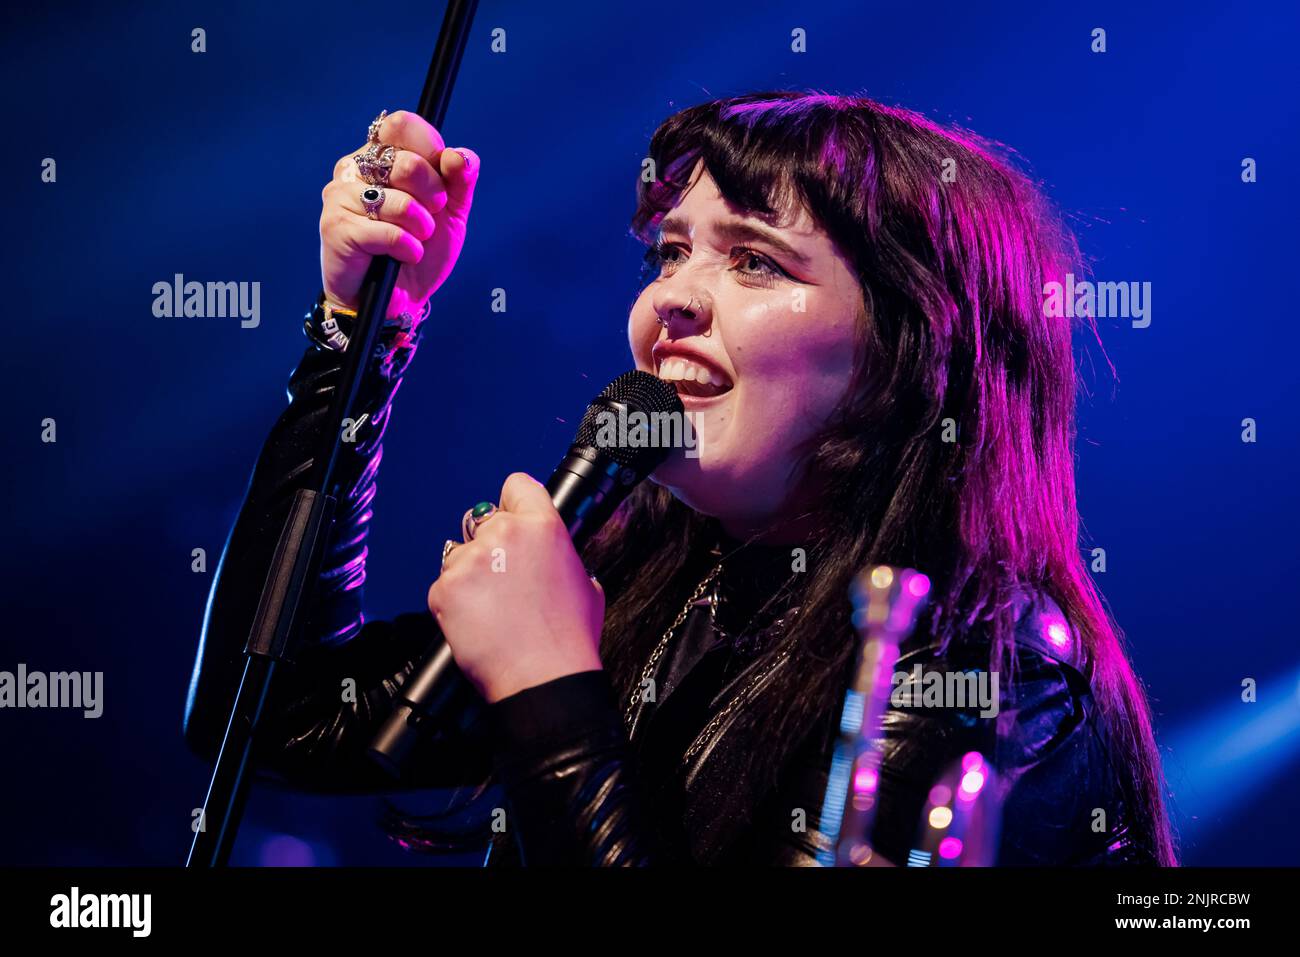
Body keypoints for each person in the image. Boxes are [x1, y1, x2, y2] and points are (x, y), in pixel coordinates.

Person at [183, 91, 1177, 866]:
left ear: (910, 352)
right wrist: (361, 331)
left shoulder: (985, 674)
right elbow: (269, 717)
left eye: (753, 261)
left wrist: (546, 691)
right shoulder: (655, 580)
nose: (673, 301)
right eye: (668, 253)